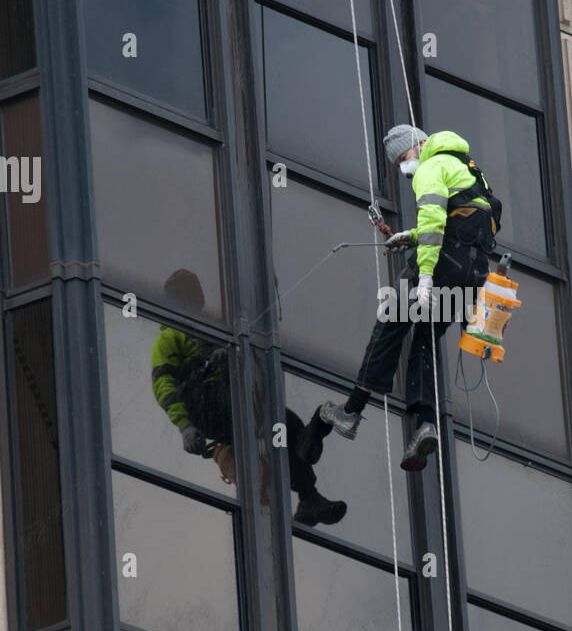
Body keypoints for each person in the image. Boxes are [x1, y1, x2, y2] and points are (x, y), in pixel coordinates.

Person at [318, 126, 500, 471]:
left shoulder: (432, 165)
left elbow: (433, 220)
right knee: (425, 341)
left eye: (404, 158)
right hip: (473, 273)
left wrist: (427, 274)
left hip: (442, 267)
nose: (405, 167)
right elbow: (463, 219)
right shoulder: (469, 169)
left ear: (418, 145)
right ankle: (425, 426)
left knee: (389, 325)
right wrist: (411, 237)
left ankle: (352, 412)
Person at [152, 270, 346, 526]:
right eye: (185, 294)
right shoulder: (169, 338)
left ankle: (308, 491)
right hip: (207, 403)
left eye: (192, 293)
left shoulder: (214, 325)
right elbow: (165, 387)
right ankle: (305, 459)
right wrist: (186, 427)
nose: (191, 299)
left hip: (232, 397)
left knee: (283, 422)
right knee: (266, 419)